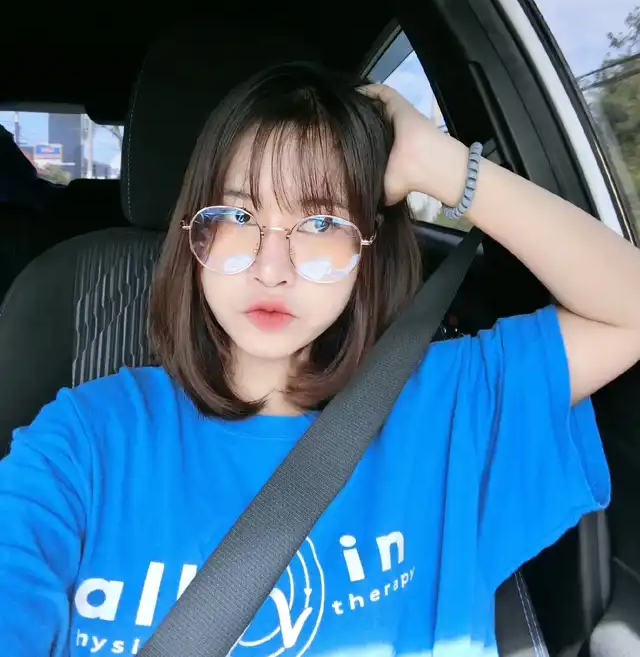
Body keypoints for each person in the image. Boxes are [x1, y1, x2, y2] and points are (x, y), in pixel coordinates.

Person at [1, 61, 639, 657]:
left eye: (323, 224)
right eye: (238, 214)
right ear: (195, 231)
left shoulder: (447, 407)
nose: (271, 269)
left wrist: (439, 164)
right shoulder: (84, 440)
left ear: (368, 249)